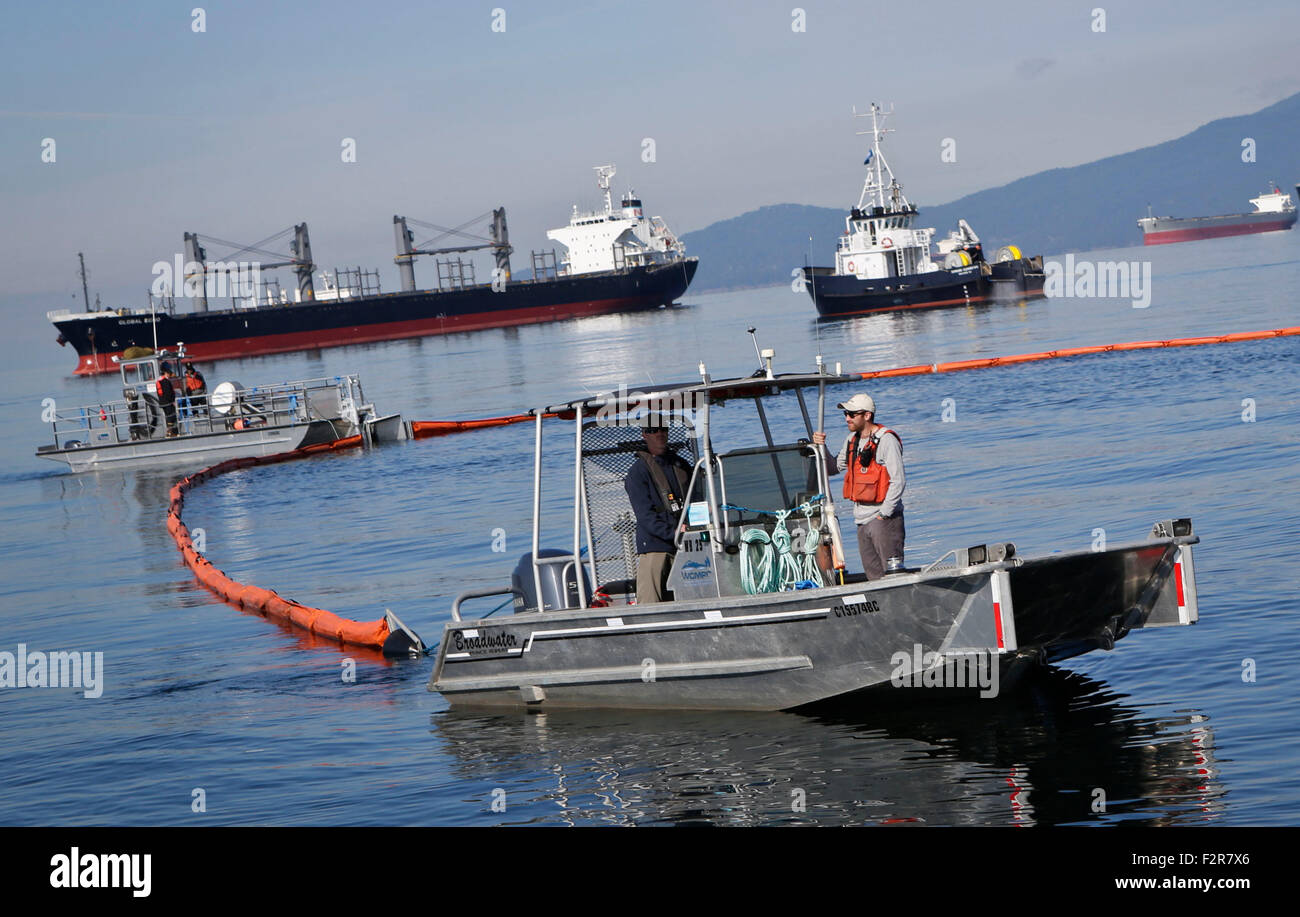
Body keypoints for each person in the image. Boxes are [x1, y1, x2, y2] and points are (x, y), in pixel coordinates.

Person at [813, 393, 905, 580]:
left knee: (892, 576)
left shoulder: (887, 440)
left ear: (867, 415)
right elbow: (833, 468)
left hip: (884, 520)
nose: (847, 418)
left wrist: (884, 514)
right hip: (861, 521)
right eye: (846, 414)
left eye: (852, 414)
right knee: (873, 577)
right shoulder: (851, 440)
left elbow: (899, 481)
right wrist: (821, 447)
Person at [624, 416, 693, 604]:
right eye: (654, 430)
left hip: (686, 545)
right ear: (645, 434)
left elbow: (694, 499)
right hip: (656, 547)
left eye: (663, 429)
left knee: (688, 597)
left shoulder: (681, 465)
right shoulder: (637, 473)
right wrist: (673, 533)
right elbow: (645, 517)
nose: (660, 434)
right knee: (650, 602)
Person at [156, 366, 179, 437]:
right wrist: (172, 401)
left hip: (162, 402)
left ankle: (174, 432)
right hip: (168, 402)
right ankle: (170, 432)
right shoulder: (165, 381)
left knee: (169, 416)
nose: (170, 374)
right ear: (165, 373)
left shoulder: (159, 381)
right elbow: (168, 392)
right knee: (171, 416)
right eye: (169, 373)